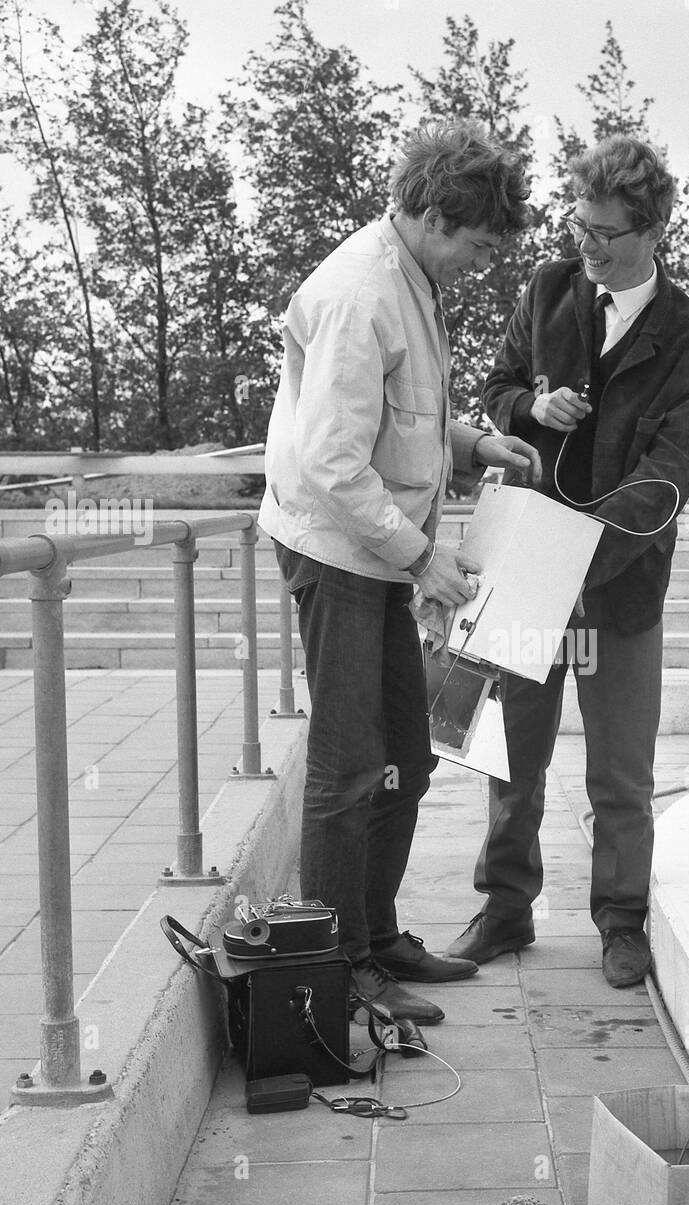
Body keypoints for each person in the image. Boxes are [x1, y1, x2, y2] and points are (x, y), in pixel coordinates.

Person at [258, 120, 540, 1024]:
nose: (478, 260)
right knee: (347, 768)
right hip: (341, 551)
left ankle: (374, 939)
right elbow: (333, 464)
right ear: (426, 211)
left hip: (375, 552)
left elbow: (396, 418)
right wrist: (424, 561)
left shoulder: (410, 276)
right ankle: (334, 975)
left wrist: (469, 441)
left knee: (406, 760)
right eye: (475, 242)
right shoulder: (357, 294)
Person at [446, 135, 689, 988]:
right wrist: (530, 403)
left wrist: (575, 552)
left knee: (619, 773)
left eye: (605, 232)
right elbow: (492, 391)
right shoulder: (546, 288)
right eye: (579, 226)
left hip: (618, 584)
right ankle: (504, 909)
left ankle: (622, 920)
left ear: (652, 231)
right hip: (525, 570)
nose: (587, 246)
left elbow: (665, 481)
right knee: (507, 758)